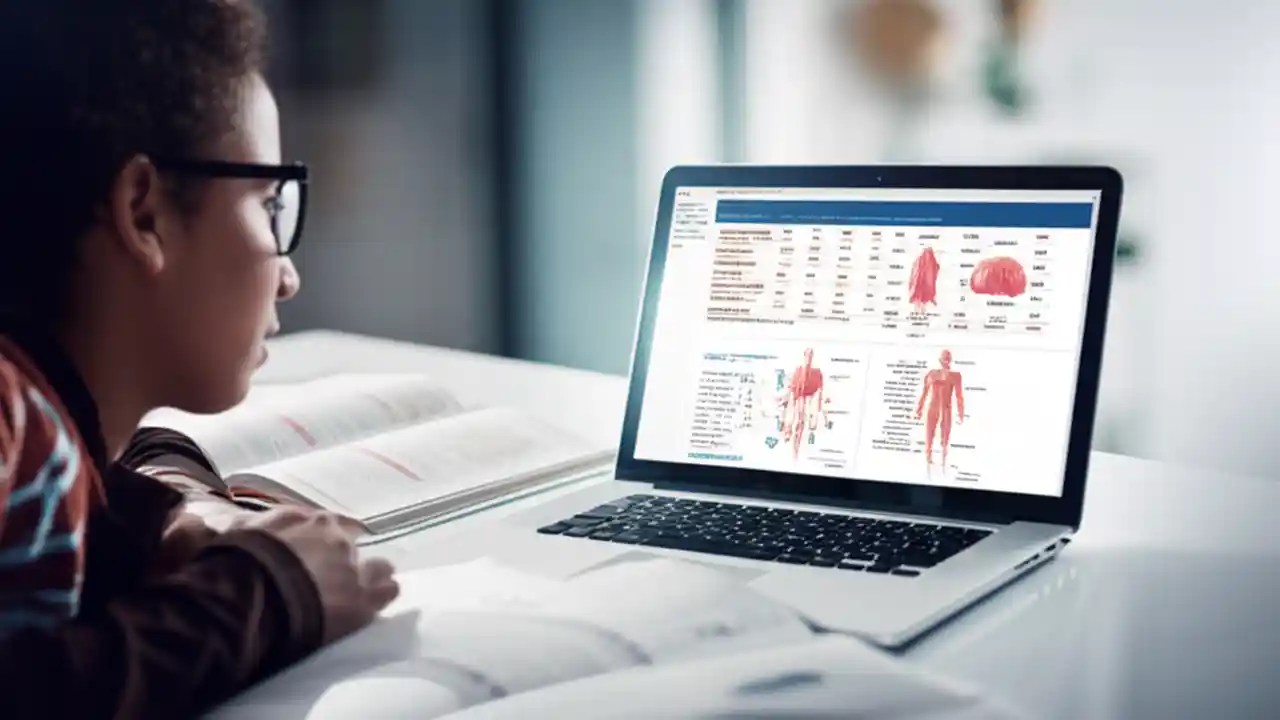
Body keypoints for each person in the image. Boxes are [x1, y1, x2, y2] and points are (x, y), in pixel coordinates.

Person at [0, 1, 399, 717]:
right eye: (269, 204)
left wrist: (153, 522)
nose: (288, 274)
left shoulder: (43, 427)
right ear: (145, 214)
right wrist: (261, 593)